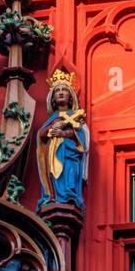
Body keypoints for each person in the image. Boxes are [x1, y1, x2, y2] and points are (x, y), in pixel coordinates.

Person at [36, 70, 89, 212]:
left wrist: (63, 133)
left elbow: (79, 136)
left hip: (69, 154)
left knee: (69, 173)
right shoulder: (51, 119)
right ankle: (54, 196)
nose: (60, 93)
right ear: (52, 98)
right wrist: (50, 130)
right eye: (57, 90)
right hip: (52, 153)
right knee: (54, 174)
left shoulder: (75, 116)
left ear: (70, 96)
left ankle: (68, 196)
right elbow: (40, 135)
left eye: (64, 90)